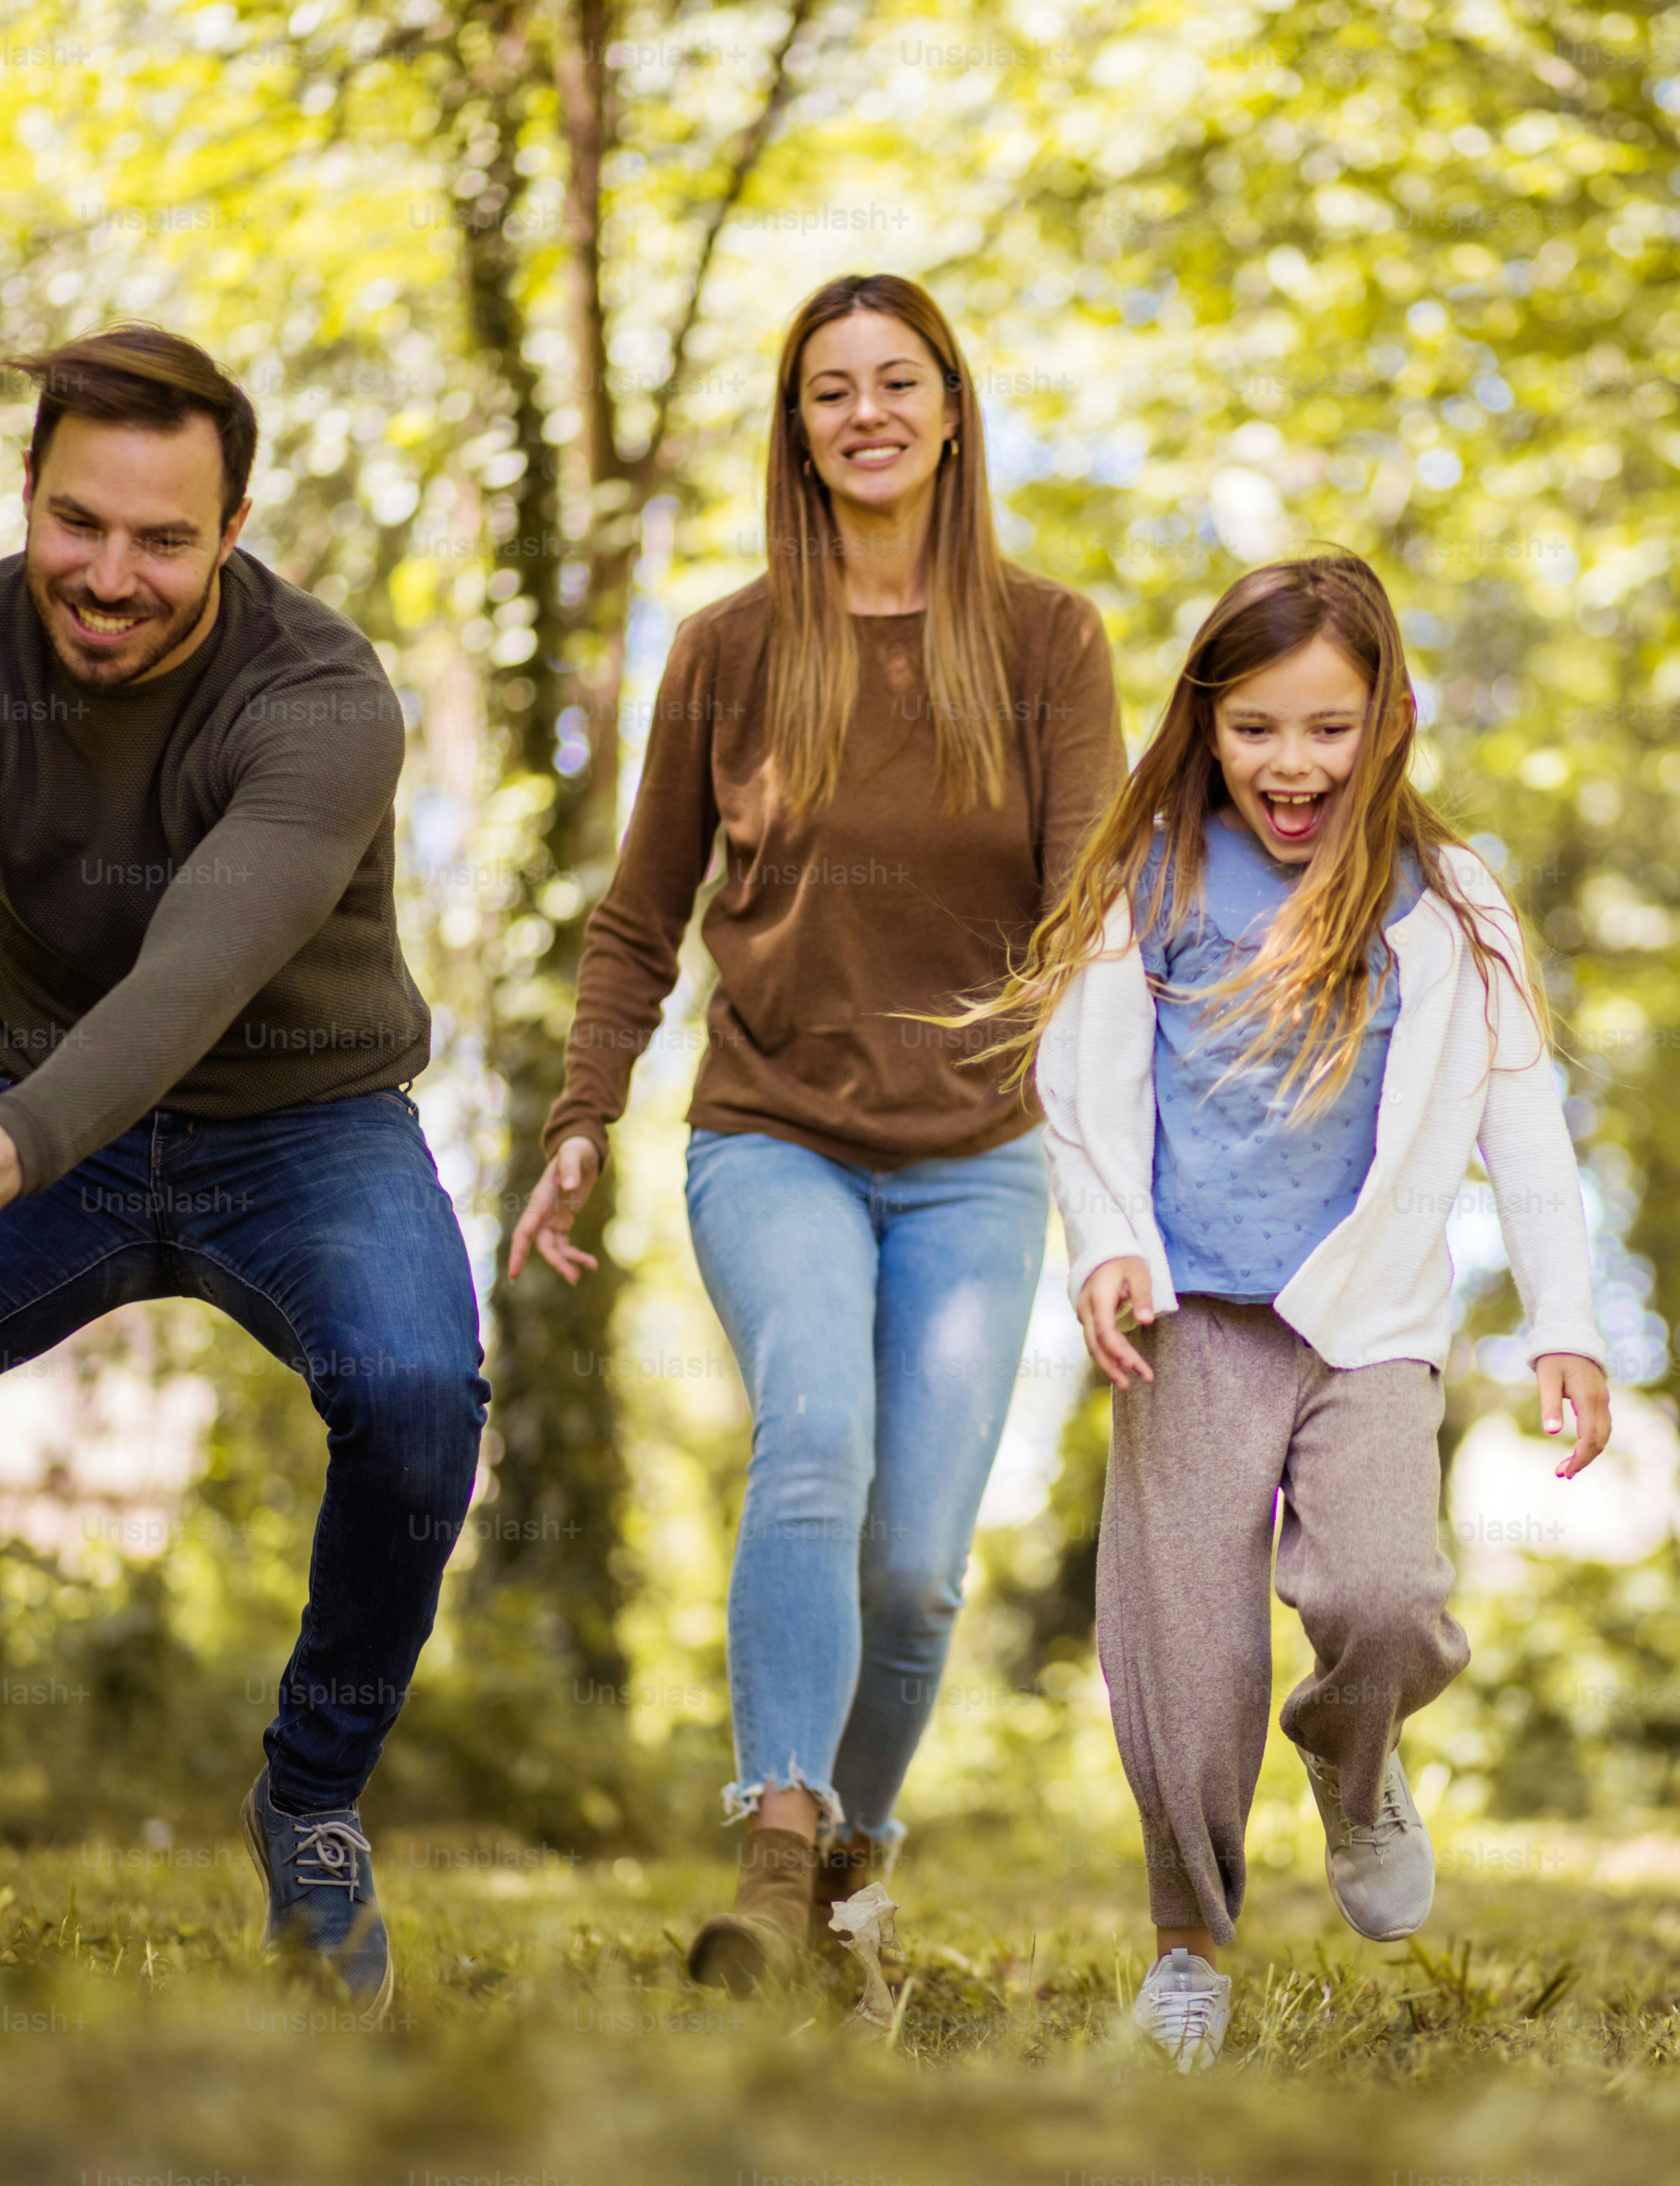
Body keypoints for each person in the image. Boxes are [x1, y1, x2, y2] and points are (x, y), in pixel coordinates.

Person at [0, 323, 480, 2007]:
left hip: (304, 1128)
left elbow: (198, 967)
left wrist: (1, 1144)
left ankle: (312, 1801)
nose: (111, 576)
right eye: (77, 524)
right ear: (27, 495)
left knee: (416, 1393)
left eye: (164, 538)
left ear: (234, 527)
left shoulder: (321, 696)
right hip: (33, 1116)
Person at [504, 273, 1122, 1989]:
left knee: (919, 1566)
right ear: (796, 426)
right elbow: (638, 918)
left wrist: (1123, 1189)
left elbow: (1087, 921)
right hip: (769, 1132)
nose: (864, 412)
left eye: (895, 381)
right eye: (827, 388)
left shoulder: (1046, 640)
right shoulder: (725, 648)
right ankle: (774, 1859)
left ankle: (844, 1880)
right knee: (816, 1434)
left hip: (976, 1155)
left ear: (947, 408)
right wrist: (579, 1118)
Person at [972, 551, 1612, 2071]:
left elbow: (1520, 1119)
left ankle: (1356, 1755)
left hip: (1367, 1320)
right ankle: (1188, 1949)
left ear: (1389, 717)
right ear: (1204, 724)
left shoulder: (1450, 904)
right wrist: (1108, 1245)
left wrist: (1569, 1322)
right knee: (1186, 1664)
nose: (1293, 764)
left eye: (1329, 726)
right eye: (1257, 727)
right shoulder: (1159, 880)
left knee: (1385, 1594)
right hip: (1189, 1315)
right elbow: (1082, 1088)